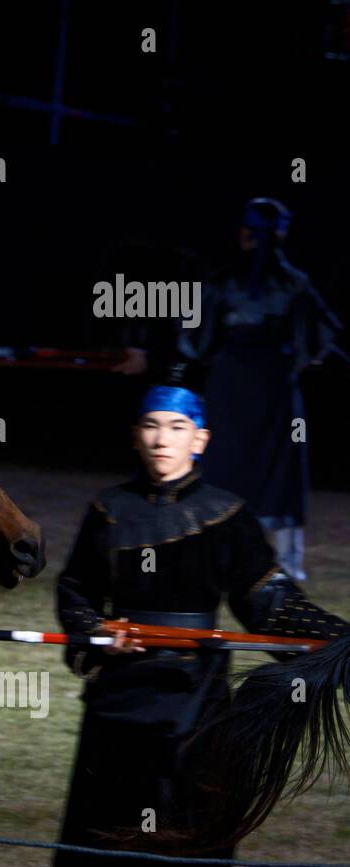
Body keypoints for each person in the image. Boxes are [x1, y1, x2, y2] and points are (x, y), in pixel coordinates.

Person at [54, 384, 348, 864]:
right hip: (118, 699)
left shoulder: (226, 514)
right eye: (151, 426)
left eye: (176, 428)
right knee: (103, 830)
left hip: (195, 699)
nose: (161, 440)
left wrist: (335, 637)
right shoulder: (108, 509)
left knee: (189, 828)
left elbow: (266, 599)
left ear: (200, 440)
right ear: (135, 436)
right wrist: (95, 629)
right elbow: (75, 588)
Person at [178, 197, 342, 581]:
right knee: (280, 469)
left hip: (231, 384)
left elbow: (195, 341)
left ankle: (211, 555)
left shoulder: (220, 281)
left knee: (222, 464)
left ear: (243, 234)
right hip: (275, 386)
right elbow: (315, 342)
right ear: (281, 234)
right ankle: (288, 565)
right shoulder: (294, 283)